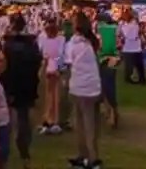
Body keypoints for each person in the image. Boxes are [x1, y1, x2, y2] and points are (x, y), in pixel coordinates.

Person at [2, 14, 41, 169]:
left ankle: (9, 149)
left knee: (9, 120)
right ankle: (24, 152)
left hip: (12, 86)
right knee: (24, 120)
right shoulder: (31, 44)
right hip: (27, 86)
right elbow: (37, 63)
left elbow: (5, 67)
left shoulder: (8, 45)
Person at [66, 14, 102, 169]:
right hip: (92, 87)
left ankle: (87, 157)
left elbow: (68, 63)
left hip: (79, 86)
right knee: (90, 124)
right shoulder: (91, 43)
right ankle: (90, 157)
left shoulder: (73, 44)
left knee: (81, 124)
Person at [36, 18, 66, 134]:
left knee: (52, 94)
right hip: (50, 66)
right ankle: (50, 119)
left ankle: (51, 119)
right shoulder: (59, 39)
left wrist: (53, 63)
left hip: (50, 66)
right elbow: (60, 55)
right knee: (52, 94)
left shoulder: (46, 39)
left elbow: (46, 53)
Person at [95, 10, 120, 128]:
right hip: (113, 59)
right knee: (109, 85)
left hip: (101, 60)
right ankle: (111, 111)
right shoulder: (115, 29)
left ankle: (110, 112)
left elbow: (98, 45)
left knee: (104, 86)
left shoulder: (99, 30)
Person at [118, 7, 146, 85]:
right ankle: (128, 79)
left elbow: (140, 32)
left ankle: (142, 79)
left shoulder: (135, 22)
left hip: (136, 47)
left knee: (139, 65)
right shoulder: (122, 23)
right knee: (129, 66)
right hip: (128, 48)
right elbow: (118, 33)